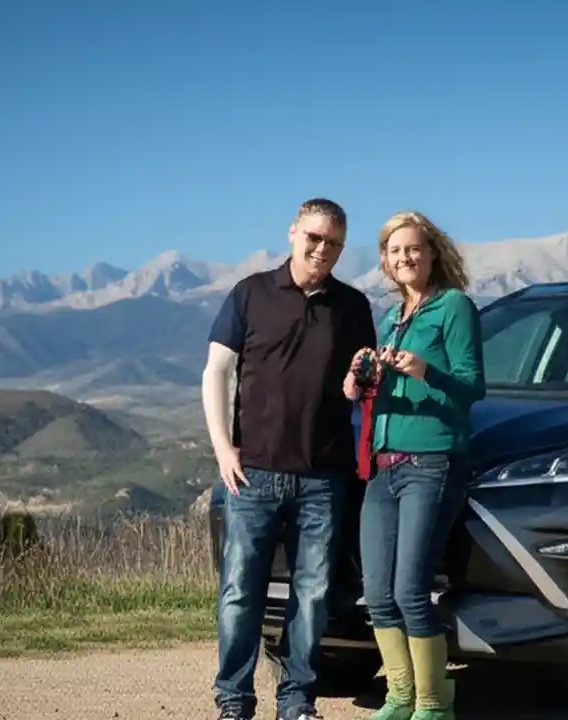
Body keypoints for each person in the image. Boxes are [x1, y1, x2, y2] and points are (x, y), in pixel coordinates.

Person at [202, 198, 377, 720]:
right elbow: (216, 371)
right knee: (239, 592)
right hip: (251, 472)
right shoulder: (250, 294)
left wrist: (359, 385)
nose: (322, 249)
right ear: (293, 234)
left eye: (334, 243)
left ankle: (297, 700)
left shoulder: (352, 306)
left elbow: (360, 383)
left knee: (314, 595)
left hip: (324, 475)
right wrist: (222, 449)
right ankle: (234, 698)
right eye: (314, 238)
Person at [343, 211, 485, 720]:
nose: (404, 258)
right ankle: (400, 697)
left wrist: (429, 371)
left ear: (432, 253)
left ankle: (432, 702)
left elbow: (473, 386)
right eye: (394, 251)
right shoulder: (392, 317)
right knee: (377, 592)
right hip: (382, 465)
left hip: (431, 462)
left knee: (410, 589)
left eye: (413, 249)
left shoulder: (453, 307)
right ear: (385, 260)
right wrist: (360, 382)